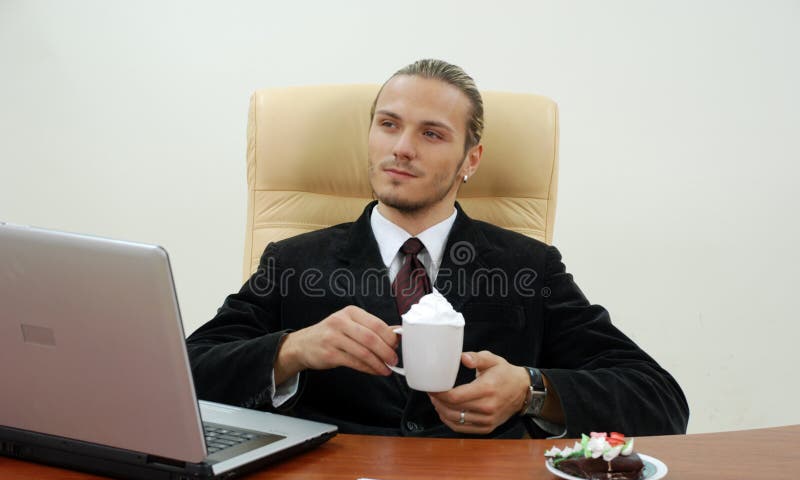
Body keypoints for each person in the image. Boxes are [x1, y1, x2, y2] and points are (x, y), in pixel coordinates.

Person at [187, 59, 689, 439]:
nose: (402, 147)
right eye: (388, 124)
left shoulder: (529, 268)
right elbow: (185, 374)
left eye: (431, 133)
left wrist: (531, 392)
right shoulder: (293, 262)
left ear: (471, 158)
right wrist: (290, 351)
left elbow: (661, 401)